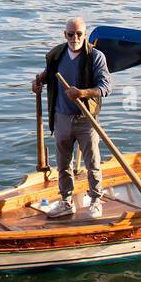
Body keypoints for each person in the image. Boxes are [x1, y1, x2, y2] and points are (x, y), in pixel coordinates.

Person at [30, 17, 112, 218]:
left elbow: (106, 87)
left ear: (85, 35)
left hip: (86, 120)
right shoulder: (57, 55)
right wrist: (37, 83)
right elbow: (47, 75)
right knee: (63, 164)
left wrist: (82, 93)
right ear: (64, 34)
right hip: (62, 118)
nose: (74, 38)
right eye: (70, 34)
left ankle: (95, 200)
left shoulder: (95, 56)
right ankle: (66, 201)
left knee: (92, 162)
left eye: (79, 34)